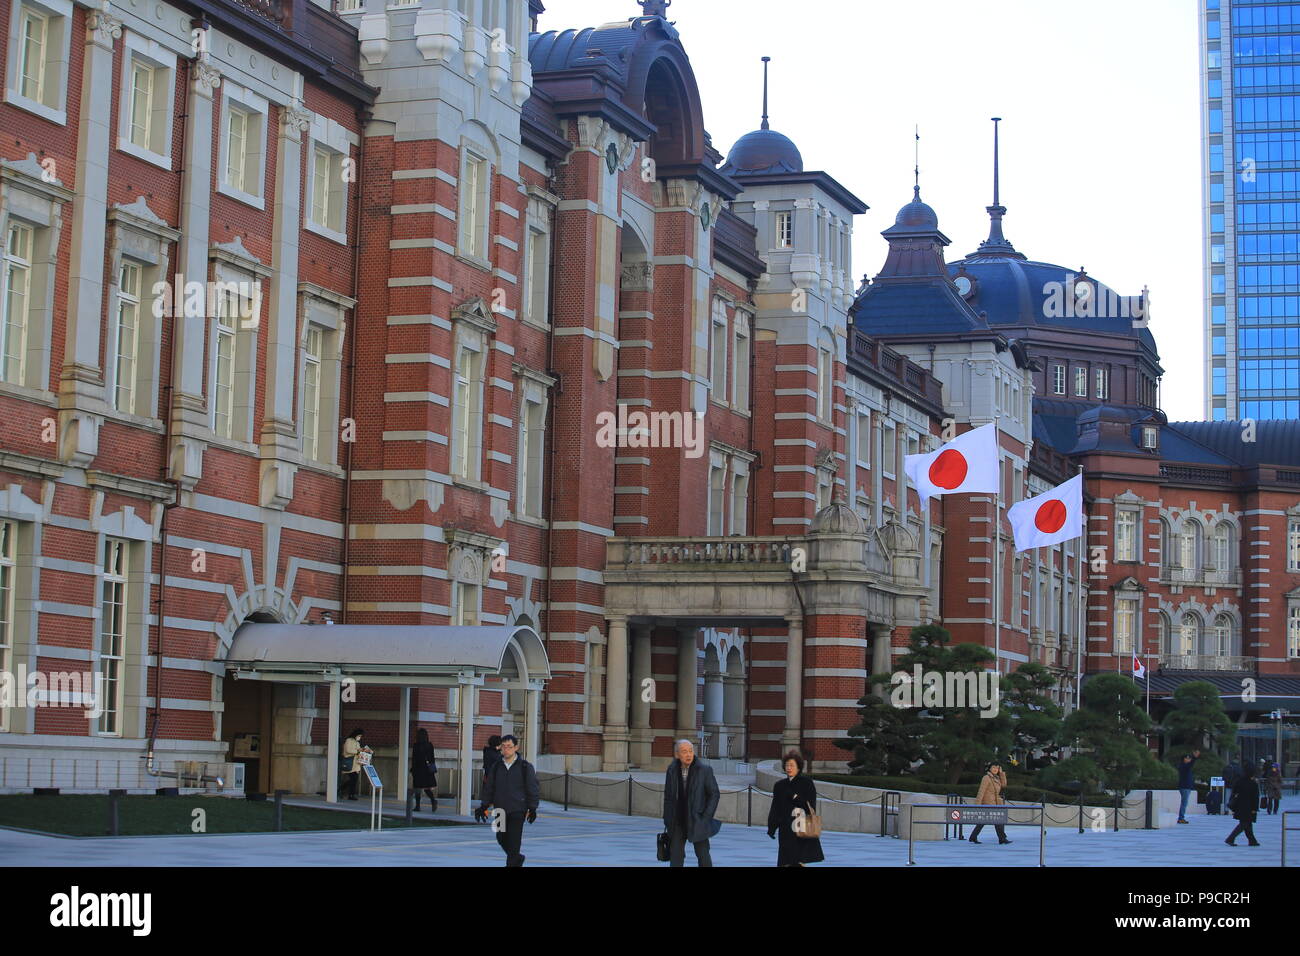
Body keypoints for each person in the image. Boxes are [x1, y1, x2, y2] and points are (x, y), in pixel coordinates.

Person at [475, 735, 538, 866]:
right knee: (501, 837)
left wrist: (532, 808)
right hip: (499, 809)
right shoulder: (496, 766)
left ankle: (513, 860)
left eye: (509, 747)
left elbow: (532, 788)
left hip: (517, 809)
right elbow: (489, 787)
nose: (506, 750)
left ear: (516, 748)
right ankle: (517, 858)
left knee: (514, 842)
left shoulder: (525, 767)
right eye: (503, 747)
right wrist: (483, 806)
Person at [662, 739, 720, 867]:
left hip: (697, 819)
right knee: (676, 856)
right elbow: (668, 797)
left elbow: (714, 794)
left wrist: (706, 817)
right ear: (677, 754)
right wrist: (667, 819)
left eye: (690, 751)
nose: (688, 755)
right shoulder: (671, 770)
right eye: (684, 752)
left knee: (703, 855)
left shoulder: (704, 770)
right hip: (677, 821)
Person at [767, 751, 824, 866]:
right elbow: (775, 807)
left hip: (800, 827)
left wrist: (794, 796)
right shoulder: (780, 785)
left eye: (792, 765)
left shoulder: (807, 783)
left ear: (799, 767)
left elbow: (810, 807)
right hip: (785, 828)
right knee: (785, 859)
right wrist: (772, 826)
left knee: (798, 859)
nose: (789, 768)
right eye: (787, 765)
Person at [968, 762, 1012, 845]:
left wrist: (1002, 774)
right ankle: (1002, 838)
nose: (995, 769)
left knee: (983, 821)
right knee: (998, 820)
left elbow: (1004, 785)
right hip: (988, 803)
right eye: (994, 767)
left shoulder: (997, 778)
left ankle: (973, 837)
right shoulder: (986, 778)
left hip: (996, 803)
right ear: (990, 768)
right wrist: (977, 804)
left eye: (997, 768)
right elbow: (981, 791)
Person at [1225, 762, 1261, 846]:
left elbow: (1234, 793)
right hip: (1249, 807)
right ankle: (1230, 838)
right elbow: (1255, 798)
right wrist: (1254, 809)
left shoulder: (1239, 781)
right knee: (1244, 824)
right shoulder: (1253, 784)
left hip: (1239, 806)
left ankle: (1252, 840)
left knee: (1247, 824)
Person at [410, 727, 438, 813]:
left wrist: (412, 769)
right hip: (427, 770)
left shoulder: (416, 745)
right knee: (427, 788)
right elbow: (432, 758)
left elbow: (414, 759)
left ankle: (418, 806)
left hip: (418, 769)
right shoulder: (430, 745)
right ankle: (433, 800)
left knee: (417, 788)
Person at [340, 728, 372, 801]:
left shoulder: (357, 742)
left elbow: (358, 750)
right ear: (356, 734)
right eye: (359, 735)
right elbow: (348, 750)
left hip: (356, 763)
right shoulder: (349, 740)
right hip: (350, 762)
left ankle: (345, 791)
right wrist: (358, 751)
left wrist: (363, 750)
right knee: (353, 779)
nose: (360, 737)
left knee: (354, 779)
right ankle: (348, 793)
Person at [1176, 750, 1200, 824]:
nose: (1189, 759)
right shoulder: (1183, 766)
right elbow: (1191, 764)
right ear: (1183, 759)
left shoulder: (1186, 767)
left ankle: (1181, 817)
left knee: (1184, 803)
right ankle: (1181, 818)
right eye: (1187, 758)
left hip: (1187, 787)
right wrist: (1194, 758)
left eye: (1189, 758)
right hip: (1184, 787)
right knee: (1184, 803)